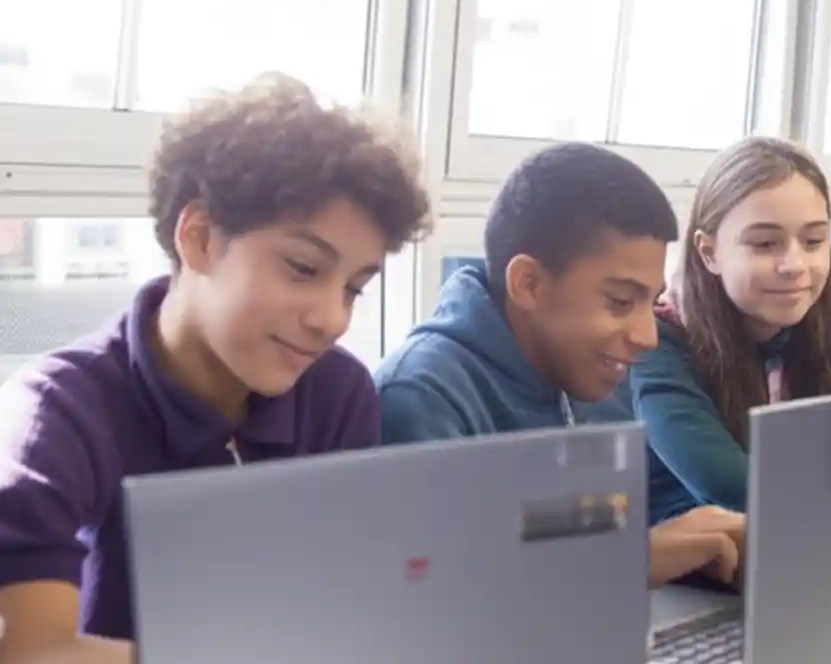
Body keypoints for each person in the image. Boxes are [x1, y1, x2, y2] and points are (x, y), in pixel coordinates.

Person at [0, 75, 432, 664]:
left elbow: (348, 610)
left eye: (355, 288)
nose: (332, 319)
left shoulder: (338, 394)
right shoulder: (59, 411)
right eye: (304, 268)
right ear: (199, 238)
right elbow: (33, 652)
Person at [374, 142, 746, 589]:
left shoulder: (600, 374)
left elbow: (623, 518)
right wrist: (634, 560)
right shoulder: (423, 395)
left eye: (653, 301)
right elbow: (439, 597)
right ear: (528, 284)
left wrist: (705, 546)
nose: (647, 337)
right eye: (620, 301)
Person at [627, 137, 831, 524]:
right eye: (764, 244)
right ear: (709, 252)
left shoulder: (823, 321)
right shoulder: (661, 343)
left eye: (813, 241)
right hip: (689, 576)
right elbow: (728, 483)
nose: (794, 264)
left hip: (802, 550)